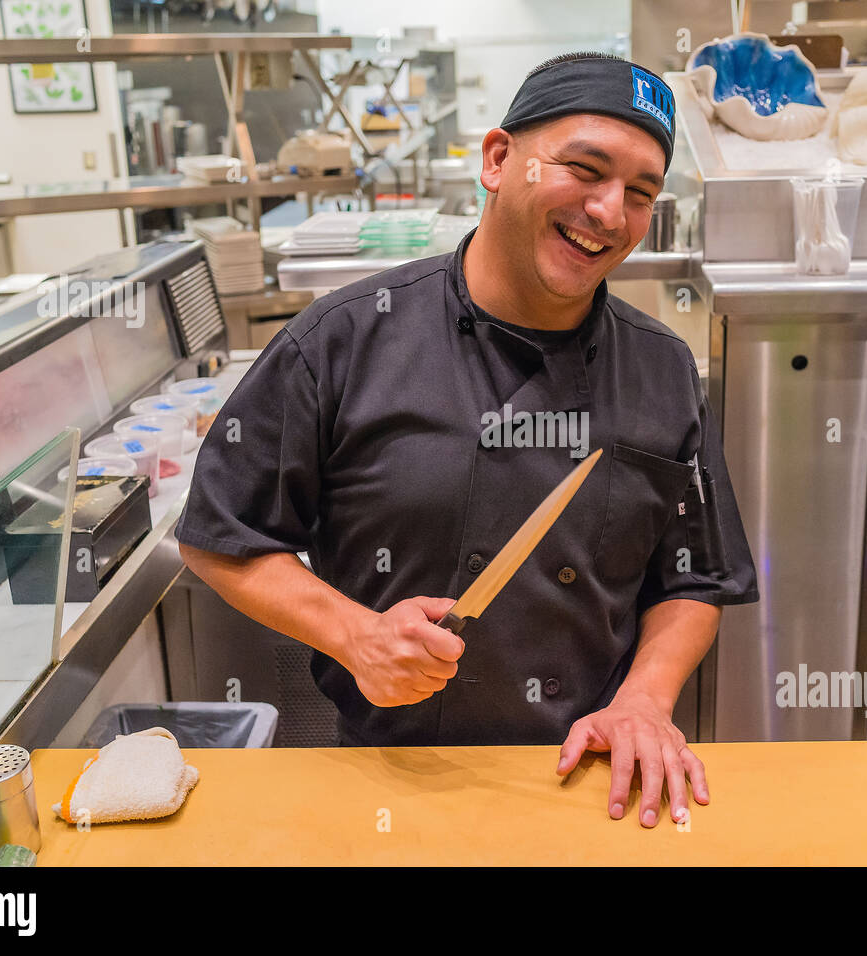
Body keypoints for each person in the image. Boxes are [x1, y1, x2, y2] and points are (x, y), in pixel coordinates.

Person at [176, 52, 758, 828]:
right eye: (586, 170)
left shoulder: (661, 367)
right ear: (497, 159)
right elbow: (220, 536)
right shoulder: (346, 340)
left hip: (591, 779)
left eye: (641, 193)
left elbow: (696, 579)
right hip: (391, 779)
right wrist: (357, 636)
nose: (611, 213)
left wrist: (645, 702)